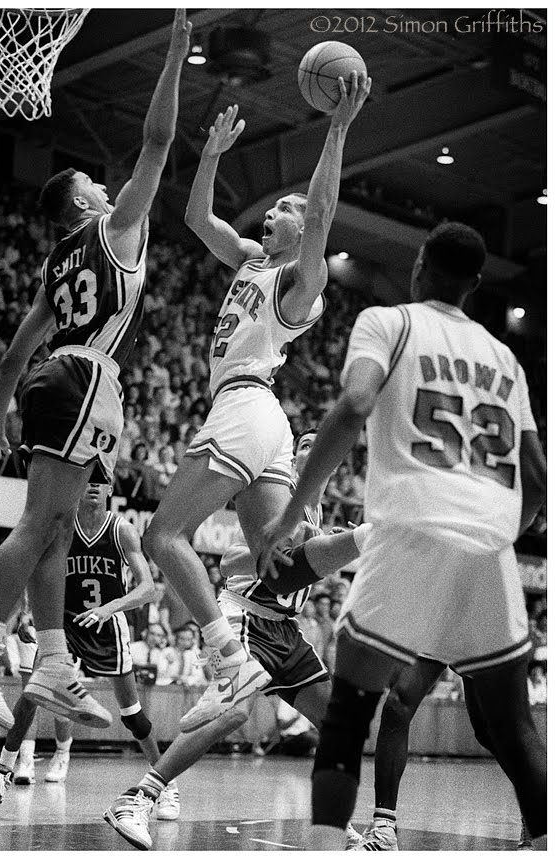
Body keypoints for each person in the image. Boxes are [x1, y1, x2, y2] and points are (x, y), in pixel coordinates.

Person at [261, 222, 547, 848]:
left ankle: (331, 839)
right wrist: (508, 530)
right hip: (489, 554)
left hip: (413, 534)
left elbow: (356, 404)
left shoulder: (388, 323)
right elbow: (538, 478)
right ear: (475, 284)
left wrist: (291, 512)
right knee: (512, 724)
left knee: (349, 714)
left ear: (419, 267)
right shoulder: (508, 360)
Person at [142, 71, 372, 733]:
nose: (271, 214)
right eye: (273, 210)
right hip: (264, 420)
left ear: (303, 233)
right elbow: (196, 219)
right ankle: (363, 548)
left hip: (246, 405)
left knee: (163, 534)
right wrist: (210, 156)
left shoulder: (302, 284)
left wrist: (337, 128)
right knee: (274, 565)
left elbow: (324, 213)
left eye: (284, 210)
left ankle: (228, 660)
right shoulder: (249, 257)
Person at [0, 10, 192, 731]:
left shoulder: (51, 265)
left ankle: (50, 661)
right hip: (85, 378)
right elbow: (158, 142)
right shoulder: (112, 229)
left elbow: (14, 356)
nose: (110, 190)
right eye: (96, 187)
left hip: (57, 377)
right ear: (82, 204)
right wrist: (172, 55)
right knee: (41, 521)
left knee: (61, 528)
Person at [103, 429, 373, 850]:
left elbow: (302, 569)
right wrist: (284, 542)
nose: (311, 450)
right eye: (303, 444)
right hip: (244, 615)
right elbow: (230, 561)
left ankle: (335, 825)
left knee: (342, 727)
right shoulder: (279, 497)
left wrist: (319, 542)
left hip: (284, 627)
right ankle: (138, 798)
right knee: (233, 714)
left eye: (319, 445)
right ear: (294, 457)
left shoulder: (319, 513)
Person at [0, 482, 180, 821]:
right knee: (31, 695)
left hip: (107, 626)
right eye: (88, 477)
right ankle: (1, 774)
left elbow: (149, 589)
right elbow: (35, 569)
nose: (93, 484)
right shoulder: (64, 526)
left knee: (132, 714)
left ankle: (166, 784)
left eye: (101, 480)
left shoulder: (121, 530)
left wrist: (109, 609)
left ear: (109, 489)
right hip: (62, 623)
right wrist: (29, 611)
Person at [351, 657, 534, 851]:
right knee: (398, 703)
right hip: (441, 629)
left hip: (479, 631)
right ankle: (384, 832)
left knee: (487, 730)